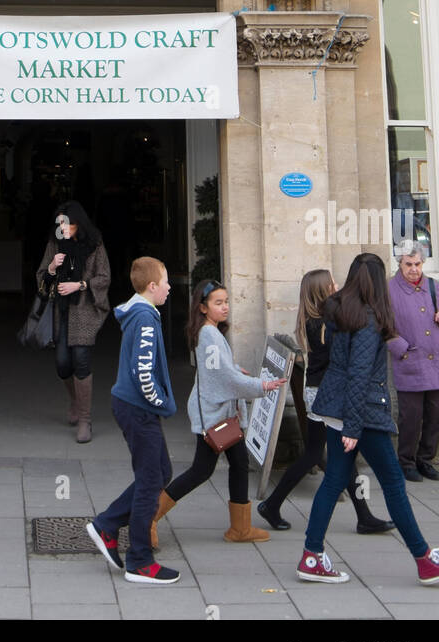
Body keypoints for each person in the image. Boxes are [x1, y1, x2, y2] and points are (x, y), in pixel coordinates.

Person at [296, 252, 439, 586]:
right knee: (393, 484)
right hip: (361, 413)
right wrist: (354, 427)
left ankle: (312, 555)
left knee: (333, 483)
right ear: (376, 280)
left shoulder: (340, 309)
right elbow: (359, 374)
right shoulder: (368, 319)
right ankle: (424, 559)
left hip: (338, 408)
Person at [257, 269, 394, 534]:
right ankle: (272, 504)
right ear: (323, 290)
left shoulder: (313, 319)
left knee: (336, 454)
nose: (337, 285)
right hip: (325, 394)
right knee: (317, 455)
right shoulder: (322, 323)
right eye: (332, 282)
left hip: (319, 391)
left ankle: (363, 516)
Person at [152, 279, 286, 546]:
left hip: (223, 415)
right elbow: (223, 378)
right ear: (203, 308)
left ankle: (240, 529)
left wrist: (235, 368)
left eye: (226, 302)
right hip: (214, 417)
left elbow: (219, 368)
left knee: (239, 464)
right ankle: (148, 517)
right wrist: (262, 385)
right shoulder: (210, 334)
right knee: (201, 471)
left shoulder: (209, 331)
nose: (225, 307)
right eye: (218, 303)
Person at [86, 256, 180, 584]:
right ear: (152, 287)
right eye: (165, 282)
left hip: (134, 407)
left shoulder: (141, 314)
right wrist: (159, 402)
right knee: (151, 480)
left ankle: (107, 524)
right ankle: (139, 560)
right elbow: (143, 371)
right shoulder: (144, 318)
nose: (170, 287)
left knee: (161, 472)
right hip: (138, 409)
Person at [36, 200, 110, 443]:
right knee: (62, 364)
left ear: (79, 223)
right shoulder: (55, 244)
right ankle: (76, 402)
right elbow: (41, 280)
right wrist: (52, 268)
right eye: (59, 225)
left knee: (80, 358)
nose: (63, 229)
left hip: (85, 309)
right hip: (62, 310)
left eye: (67, 225)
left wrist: (80, 284)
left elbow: (104, 277)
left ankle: (85, 420)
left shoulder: (94, 244)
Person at [388, 241, 439, 482]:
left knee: (435, 415)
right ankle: (406, 461)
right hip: (410, 362)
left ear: (423, 263)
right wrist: (401, 348)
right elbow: (382, 325)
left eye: (417, 264)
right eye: (408, 264)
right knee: (410, 416)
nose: (413, 269)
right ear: (399, 263)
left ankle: (426, 460)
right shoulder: (389, 290)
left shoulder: (433, 286)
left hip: (437, 361)